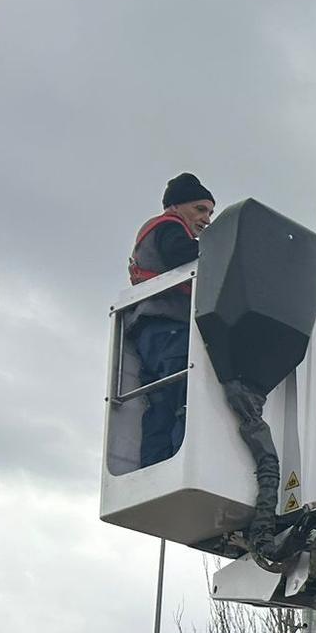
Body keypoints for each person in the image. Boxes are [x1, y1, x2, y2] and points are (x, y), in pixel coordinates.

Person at [126, 173, 215, 465]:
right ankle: (179, 461)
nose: (207, 219)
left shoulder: (157, 233)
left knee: (160, 406)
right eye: (200, 209)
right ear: (176, 206)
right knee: (181, 397)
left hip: (150, 330)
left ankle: (155, 466)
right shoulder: (169, 227)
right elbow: (182, 255)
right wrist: (222, 247)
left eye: (211, 212)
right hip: (168, 328)